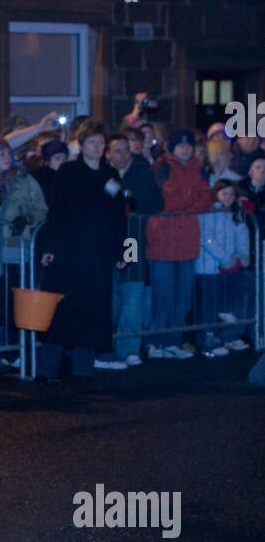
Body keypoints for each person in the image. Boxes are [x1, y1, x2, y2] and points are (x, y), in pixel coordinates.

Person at [37, 121, 127, 379]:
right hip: (70, 253)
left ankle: (83, 369)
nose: (97, 148)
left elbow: (118, 216)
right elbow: (58, 210)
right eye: (92, 143)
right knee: (61, 310)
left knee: (92, 311)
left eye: (101, 143)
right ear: (82, 145)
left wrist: (121, 251)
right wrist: (50, 246)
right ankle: (47, 370)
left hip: (98, 255)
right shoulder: (68, 171)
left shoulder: (111, 174)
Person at [0, 135, 48, 370]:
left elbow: (41, 209)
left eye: (8, 152)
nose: (7, 157)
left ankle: (14, 353)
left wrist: (27, 219)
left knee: (14, 305)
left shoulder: (25, 181)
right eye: (1, 154)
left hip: (16, 250)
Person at [145, 128, 212, 360]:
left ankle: (172, 339)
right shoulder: (160, 167)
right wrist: (188, 202)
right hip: (163, 239)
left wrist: (185, 205)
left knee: (182, 297)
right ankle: (156, 341)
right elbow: (165, 200)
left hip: (187, 240)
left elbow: (206, 199)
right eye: (180, 144)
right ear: (171, 147)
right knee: (162, 295)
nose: (186, 148)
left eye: (189, 145)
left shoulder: (198, 168)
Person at [106, 133, 164, 366]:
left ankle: (129, 346)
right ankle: (106, 346)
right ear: (108, 153)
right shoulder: (102, 173)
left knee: (132, 290)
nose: (121, 154)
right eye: (116, 150)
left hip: (132, 239)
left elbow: (155, 203)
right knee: (110, 294)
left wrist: (127, 197)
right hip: (107, 240)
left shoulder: (141, 172)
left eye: (125, 149)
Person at [195, 180, 252, 356]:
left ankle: (228, 334)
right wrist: (225, 258)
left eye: (231, 194)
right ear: (216, 193)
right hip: (208, 265)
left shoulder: (236, 213)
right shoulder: (209, 211)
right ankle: (208, 341)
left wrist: (242, 255)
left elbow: (243, 235)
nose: (228, 197)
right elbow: (207, 237)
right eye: (224, 193)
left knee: (243, 285)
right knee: (208, 305)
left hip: (229, 264)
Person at [33, 138, 69, 206]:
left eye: (65, 159)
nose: (62, 162)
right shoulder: (40, 179)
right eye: (57, 158)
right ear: (47, 161)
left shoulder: (67, 176)